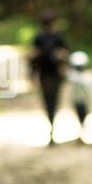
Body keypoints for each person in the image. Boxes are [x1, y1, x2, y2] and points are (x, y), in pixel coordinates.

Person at [30, 11, 67, 145]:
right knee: (48, 101)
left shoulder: (58, 36)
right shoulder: (39, 37)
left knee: (54, 101)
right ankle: (51, 127)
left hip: (55, 74)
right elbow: (33, 57)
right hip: (44, 74)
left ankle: (52, 127)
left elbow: (64, 53)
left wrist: (62, 60)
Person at [67, 50, 92, 142]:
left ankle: (82, 131)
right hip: (78, 100)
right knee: (80, 115)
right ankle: (81, 131)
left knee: (83, 115)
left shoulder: (84, 77)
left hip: (82, 100)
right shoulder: (74, 76)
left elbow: (90, 91)